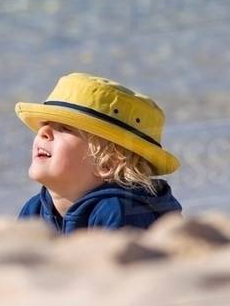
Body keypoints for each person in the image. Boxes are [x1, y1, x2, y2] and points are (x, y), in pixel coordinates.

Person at [15, 72, 181, 234]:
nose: (43, 131)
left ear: (108, 163)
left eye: (65, 128)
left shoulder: (118, 211)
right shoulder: (34, 209)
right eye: (46, 124)